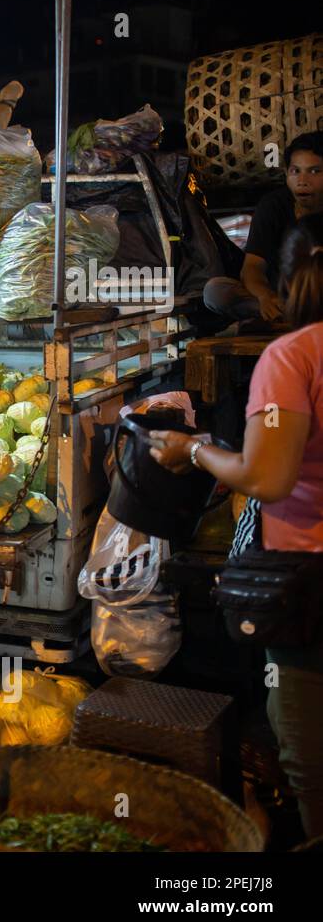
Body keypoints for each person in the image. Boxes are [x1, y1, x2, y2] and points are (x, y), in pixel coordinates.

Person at [149, 214, 323, 840]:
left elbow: (267, 477)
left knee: (309, 758)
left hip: (307, 577)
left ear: (286, 280)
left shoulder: (295, 356)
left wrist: (190, 450)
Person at [203, 132, 323, 323]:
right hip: (282, 301)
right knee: (215, 292)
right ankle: (281, 317)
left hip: (318, 300)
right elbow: (252, 267)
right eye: (295, 171)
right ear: (286, 173)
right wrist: (265, 296)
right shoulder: (273, 206)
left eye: (314, 171)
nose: (302, 180)